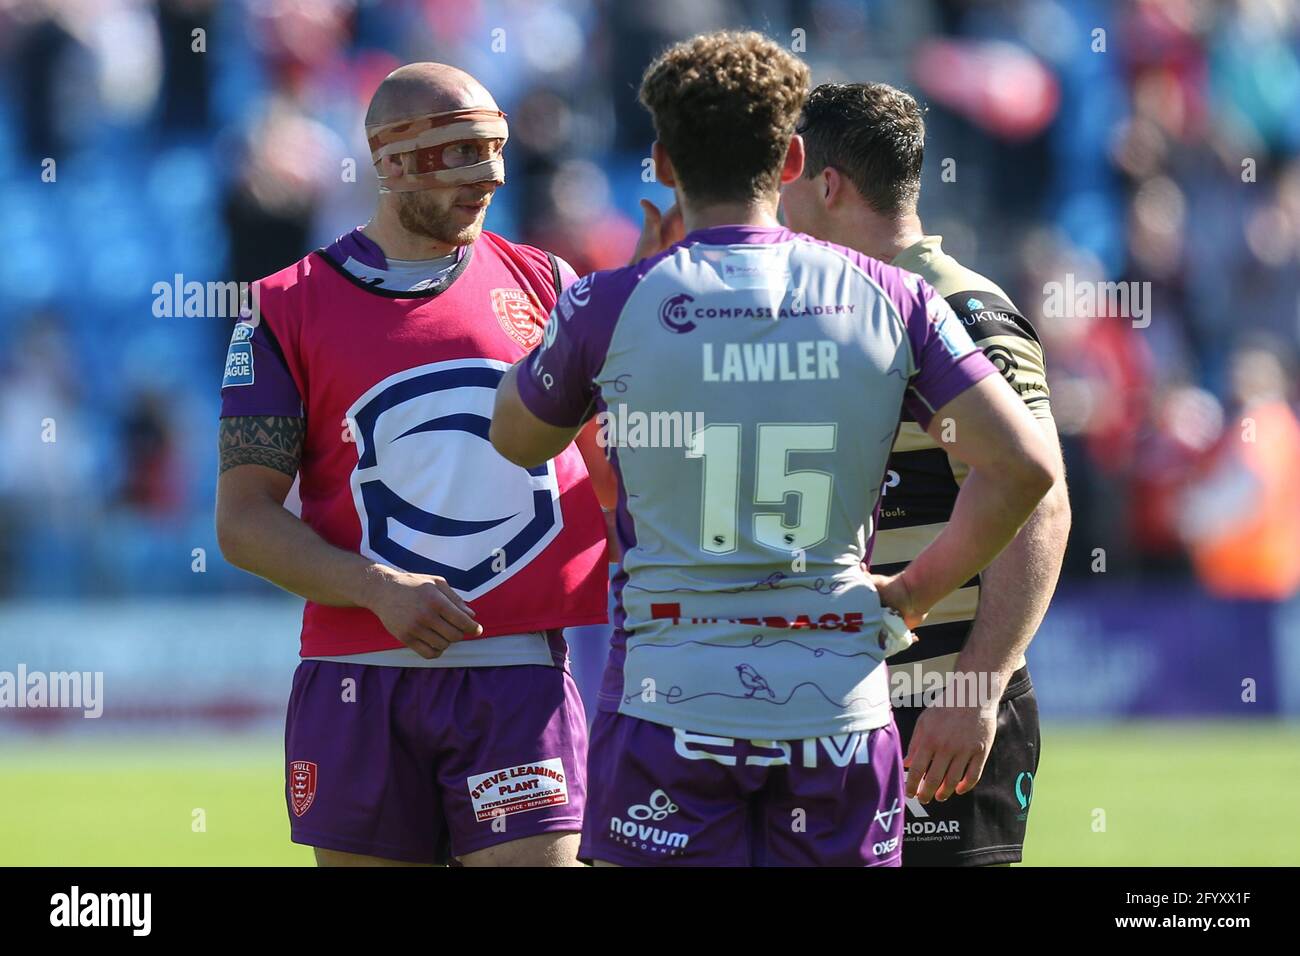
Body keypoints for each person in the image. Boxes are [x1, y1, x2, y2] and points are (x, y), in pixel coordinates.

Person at [490, 32, 1058, 866]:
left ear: (661, 162)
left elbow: (514, 437)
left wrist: (597, 332)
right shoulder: (892, 296)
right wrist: (908, 593)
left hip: (670, 701)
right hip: (836, 703)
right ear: (791, 159)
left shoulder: (615, 300)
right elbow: (1027, 468)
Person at [215, 63, 613, 867]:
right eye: (460, 151)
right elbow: (243, 521)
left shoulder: (549, 284)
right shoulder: (283, 306)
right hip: (355, 677)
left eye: (495, 147)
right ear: (389, 163)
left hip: (517, 677)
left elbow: (617, 473)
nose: (490, 175)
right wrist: (374, 588)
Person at [781, 82, 1071, 866]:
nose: (773, 204)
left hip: (938, 709)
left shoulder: (961, 308)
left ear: (828, 185)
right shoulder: (834, 307)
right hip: (837, 710)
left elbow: (1041, 505)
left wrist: (976, 689)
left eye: (784, 177)